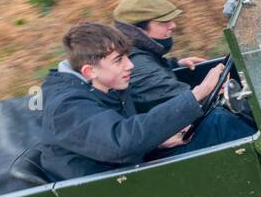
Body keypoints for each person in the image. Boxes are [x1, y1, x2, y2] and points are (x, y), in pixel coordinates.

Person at [38, 23, 227, 182]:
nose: (130, 65)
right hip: (107, 194)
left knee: (217, 123)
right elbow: (120, 142)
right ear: (89, 72)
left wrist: (156, 142)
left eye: (127, 56)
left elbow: (118, 136)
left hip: (126, 171)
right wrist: (197, 94)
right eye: (118, 60)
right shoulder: (67, 106)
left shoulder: (104, 85)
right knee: (224, 127)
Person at [112, 0, 255, 144]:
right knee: (221, 121)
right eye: (163, 22)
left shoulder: (138, 53)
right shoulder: (138, 67)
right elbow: (182, 99)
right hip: (163, 144)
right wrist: (209, 89)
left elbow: (155, 70)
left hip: (169, 127)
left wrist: (175, 64)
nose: (173, 25)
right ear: (137, 30)